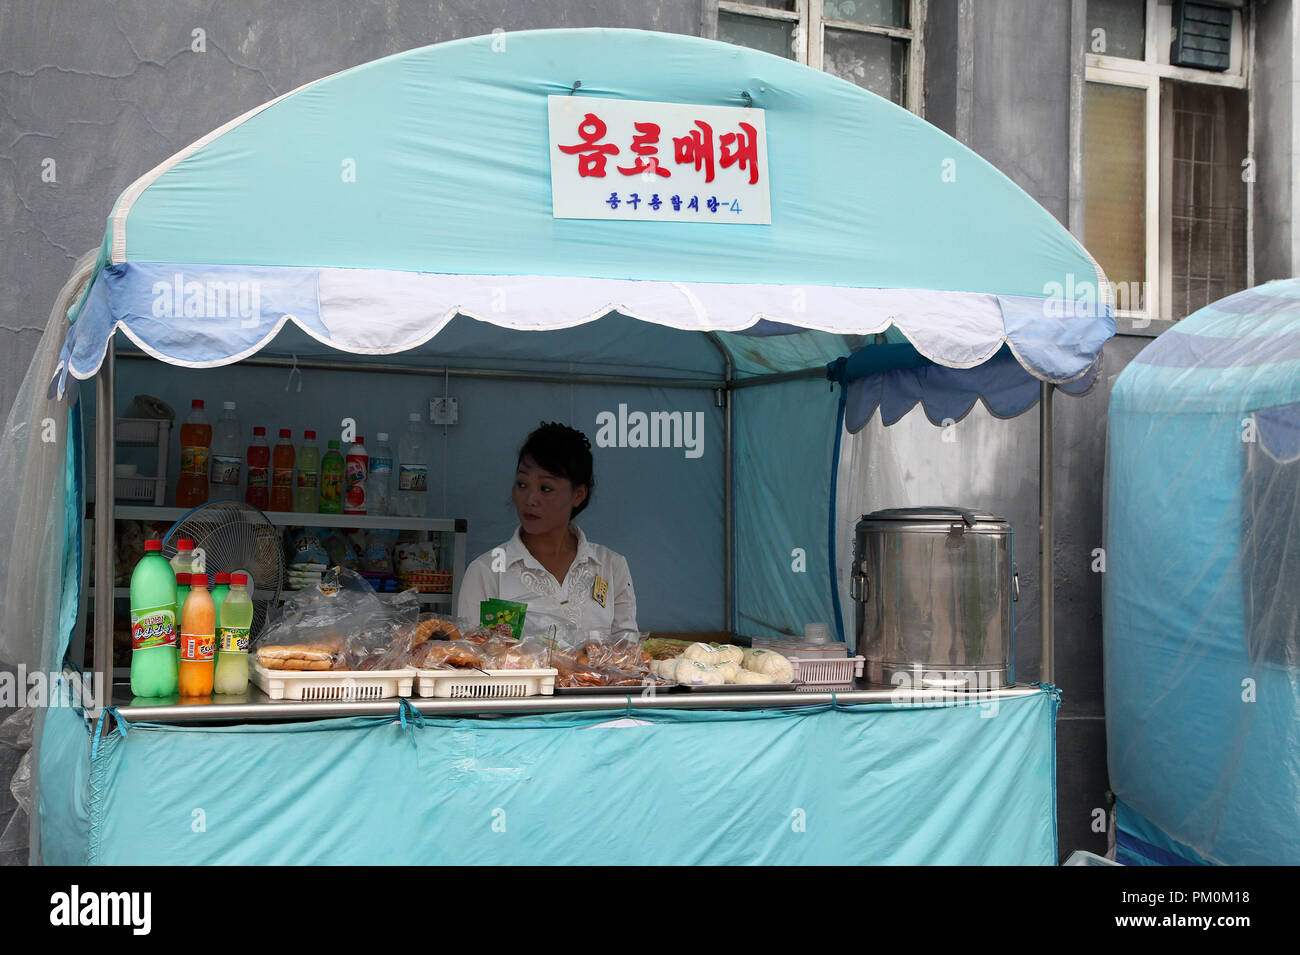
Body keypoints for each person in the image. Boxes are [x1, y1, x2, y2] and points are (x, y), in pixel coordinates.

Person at [457, 422, 637, 639]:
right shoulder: (487, 571)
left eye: (546, 488)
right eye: (522, 484)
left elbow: (626, 650)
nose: (530, 499)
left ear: (578, 495)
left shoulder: (610, 566)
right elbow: (470, 655)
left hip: (592, 676)